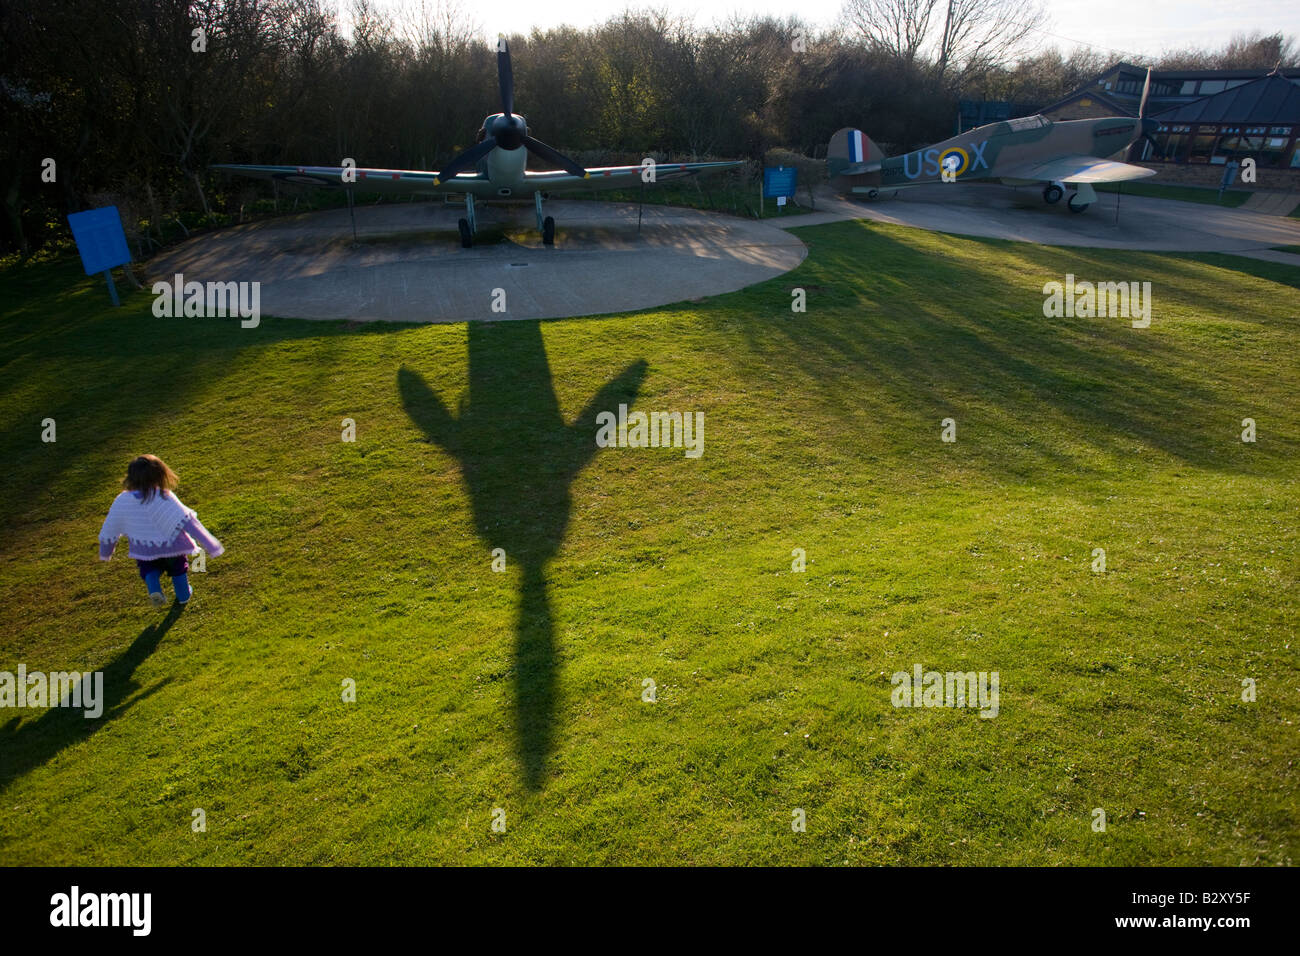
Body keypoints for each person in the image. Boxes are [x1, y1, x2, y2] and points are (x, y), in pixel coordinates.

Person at [98, 455, 224, 608]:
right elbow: (188, 521)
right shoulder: (165, 496)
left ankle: (154, 586)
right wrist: (211, 545)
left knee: (149, 569)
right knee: (178, 569)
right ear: (160, 474)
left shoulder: (122, 500)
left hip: (144, 548)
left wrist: (106, 552)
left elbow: (110, 528)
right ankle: (184, 595)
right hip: (173, 547)